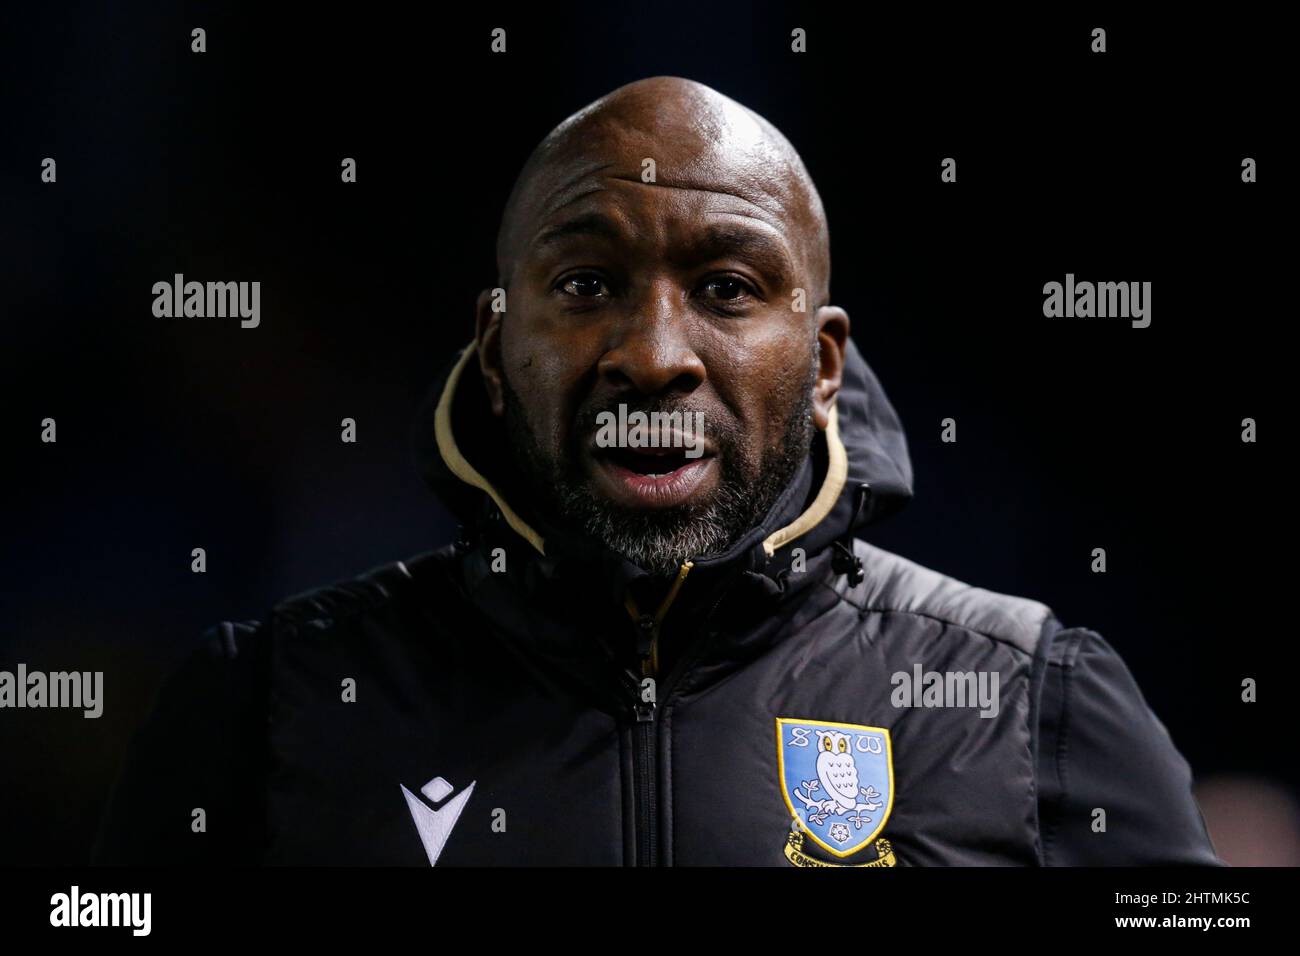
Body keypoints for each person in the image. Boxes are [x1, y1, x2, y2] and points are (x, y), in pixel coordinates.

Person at [95, 76, 1220, 867]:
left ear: (824, 364)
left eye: (728, 287)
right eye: (586, 284)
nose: (653, 354)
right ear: (493, 351)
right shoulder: (267, 703)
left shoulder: (1035, 702)